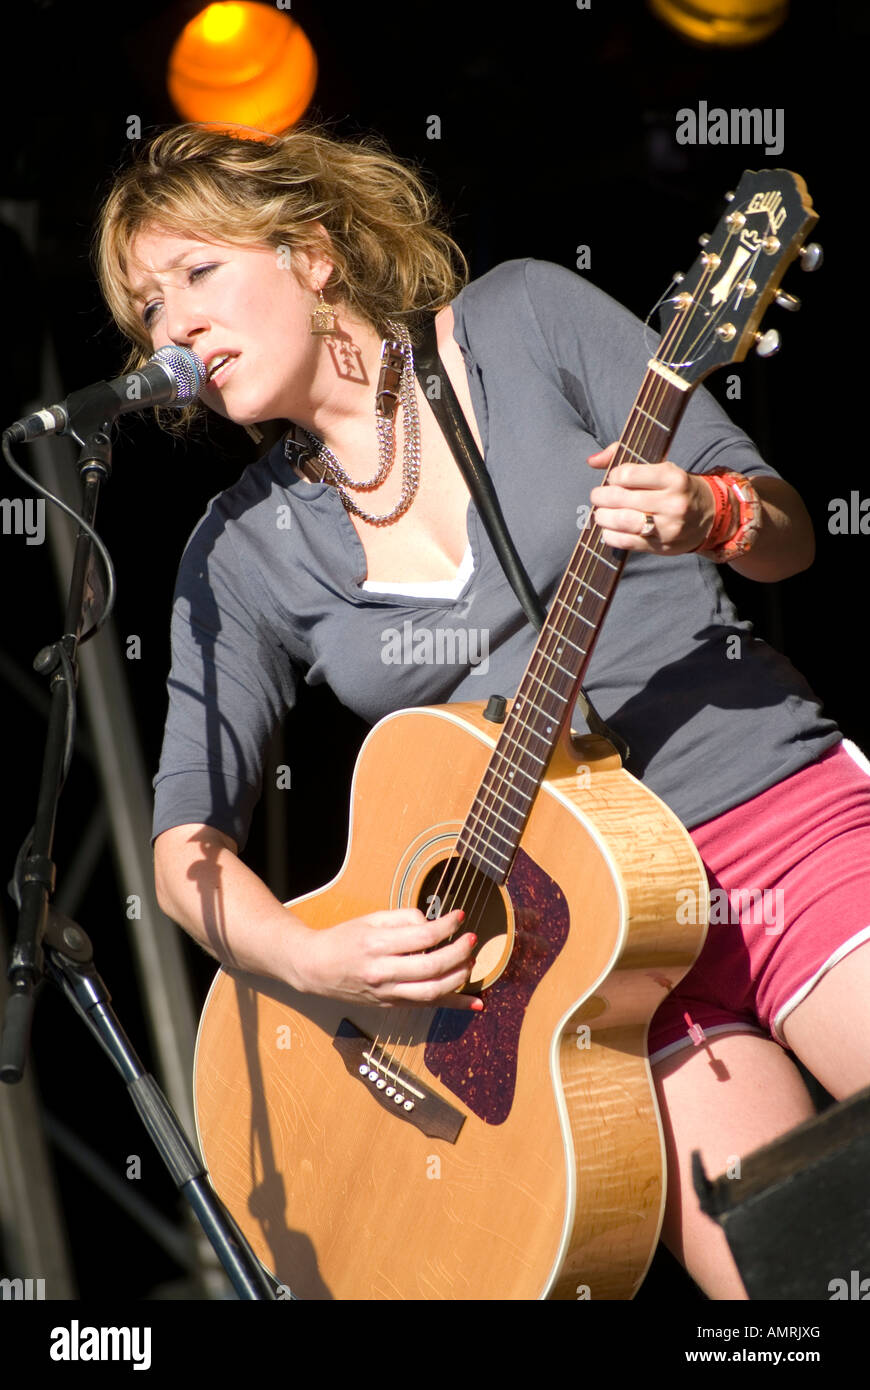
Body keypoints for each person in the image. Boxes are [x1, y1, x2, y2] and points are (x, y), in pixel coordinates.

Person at [96, 122, 870, 1301]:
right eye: (148, 307)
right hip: (584, 973)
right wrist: (312, 956)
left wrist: (709, 513)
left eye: (197, 274)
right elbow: (184, 844)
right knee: (799, 1290)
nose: (174, 329)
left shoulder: (523, 318)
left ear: (309, 252)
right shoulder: (241, 548)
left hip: (773, 828)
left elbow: (784, 534)